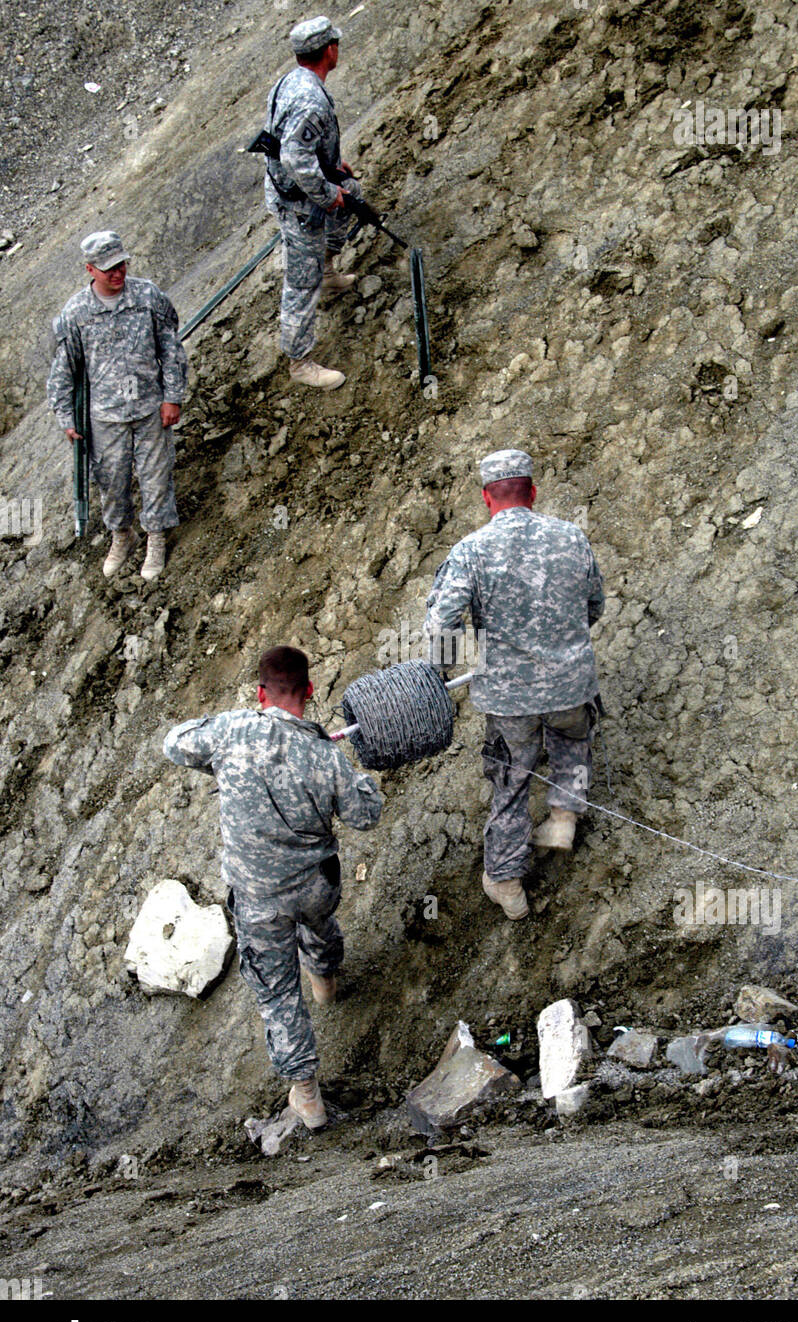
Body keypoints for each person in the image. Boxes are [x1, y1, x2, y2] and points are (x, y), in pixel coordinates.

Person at [163, 645, 383, 1129]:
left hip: (260, 900)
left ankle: (308, 1097)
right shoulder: (325, 755)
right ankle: (325, 980)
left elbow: (174, 743)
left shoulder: (231, 732)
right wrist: (362, 780)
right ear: (309, 691)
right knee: (319, 924)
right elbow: (366, 815)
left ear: (260, 693)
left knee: (279, 994)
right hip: (315, 886)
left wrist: (221, 756)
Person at [423, 450, 605, 921]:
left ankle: (506, 882)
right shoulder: (571, 536)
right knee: (572, 740)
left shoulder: (471, 551)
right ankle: (563, 817)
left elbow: (443, 624)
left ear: (487, 498)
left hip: (509, 698)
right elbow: (595, 605)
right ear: (533, 493)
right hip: (571, 683)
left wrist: (438, 673)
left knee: (511, 778)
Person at [47, 231, 187, 580]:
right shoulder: (76, 312)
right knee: (111, 482)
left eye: (121, 264)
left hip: (150, 408)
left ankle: (156, 539)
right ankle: (122, 536)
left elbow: (171, 348)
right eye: (108, 268)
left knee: (156, 477)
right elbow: (63, 370)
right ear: (90, 269)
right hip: (105, 417)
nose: (117, 273)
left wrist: (172, 396)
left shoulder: (147, 296)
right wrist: (67, 417)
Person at [262, 15, 361, 390]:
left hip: (297, 187)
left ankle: (328, 272)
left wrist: (331, 168)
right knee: (301, 282)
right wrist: (327, 192)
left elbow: (293, 143)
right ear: (329, 50)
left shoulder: (293, 81)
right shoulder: (309, 100)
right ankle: (300, 361)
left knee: (353, 196)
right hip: (298, 204)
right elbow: (294, 157)